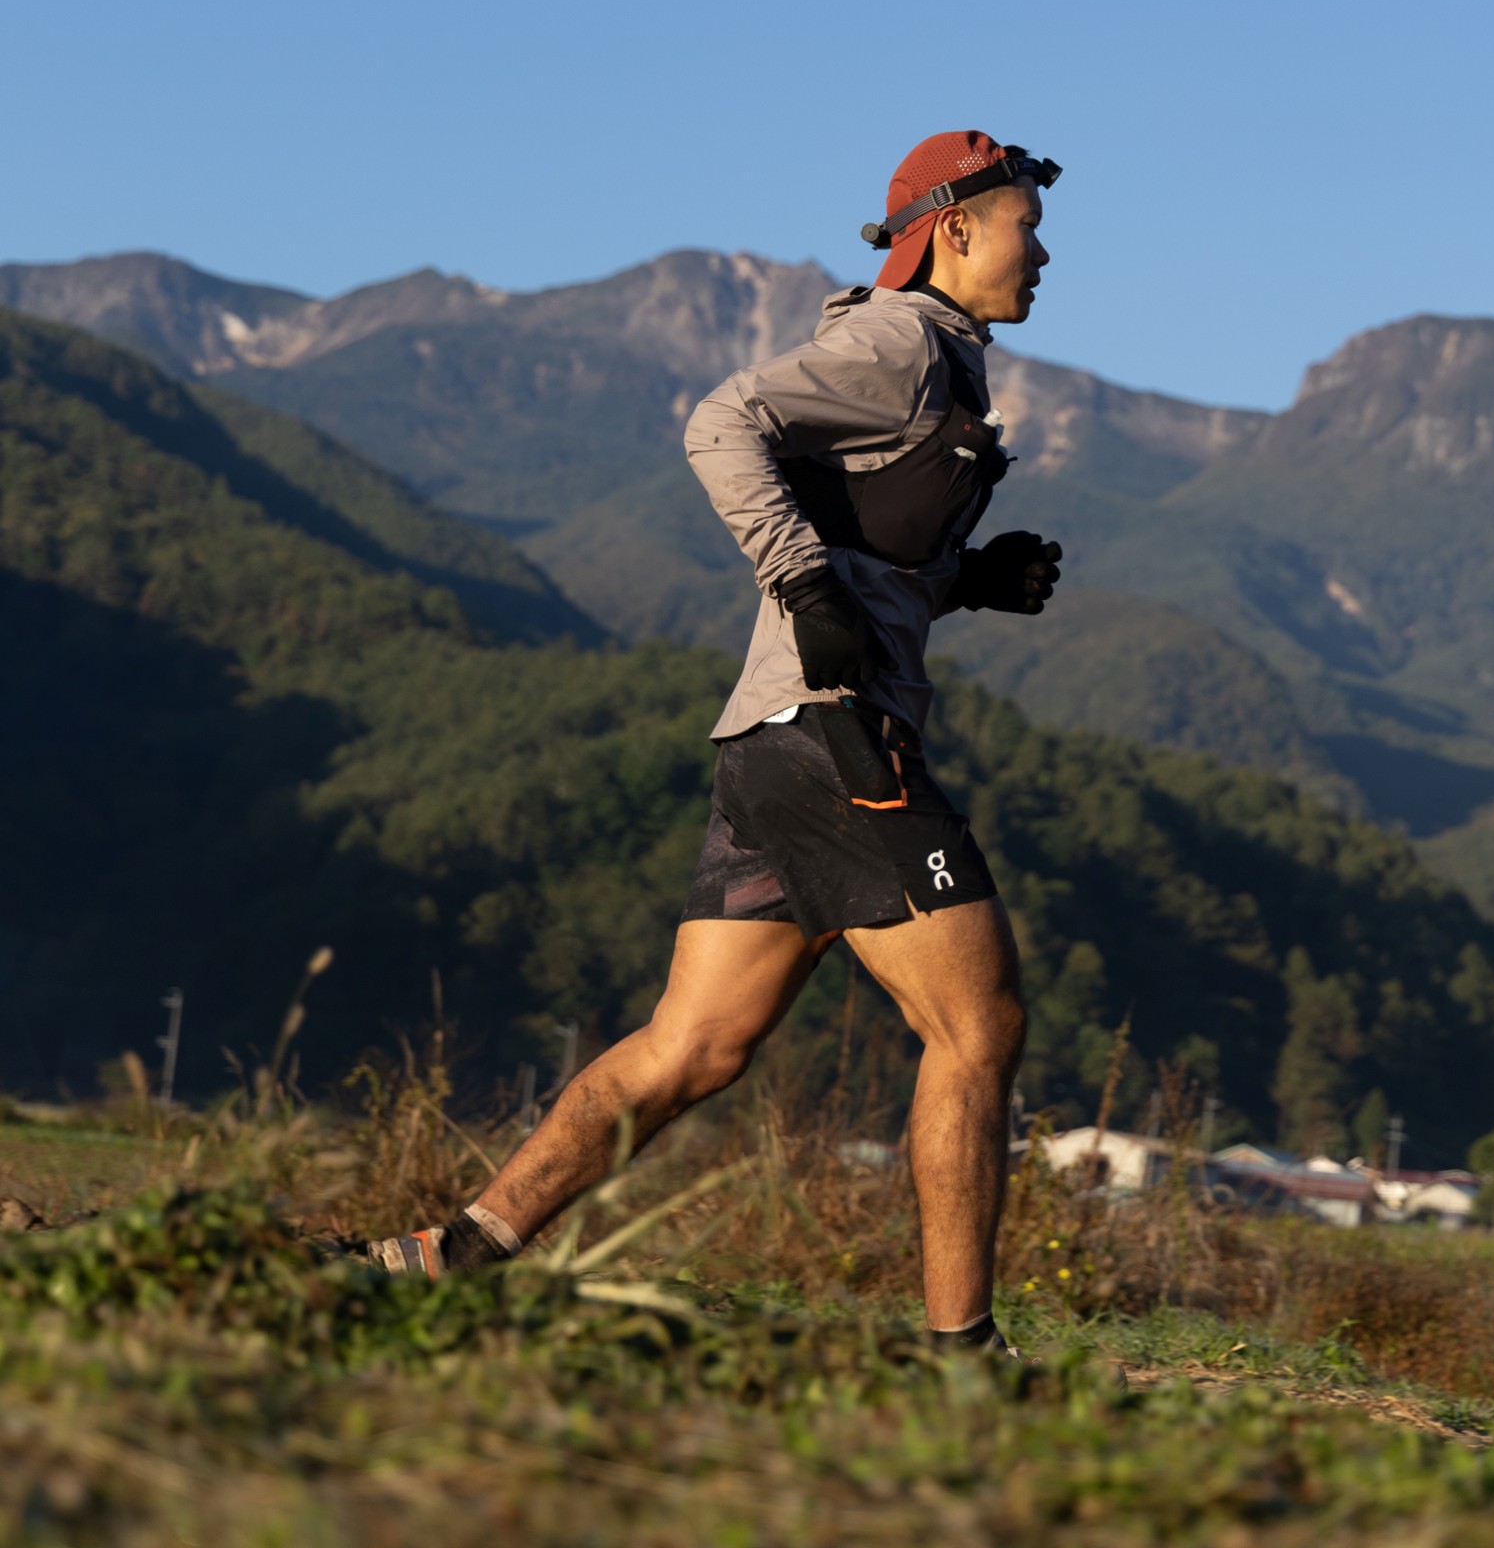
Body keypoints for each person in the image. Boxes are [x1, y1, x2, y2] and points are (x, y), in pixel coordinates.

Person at [365, 131, 1063, 1353]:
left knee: (691, 1048)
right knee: (977, 1028)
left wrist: (962, 580)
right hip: (832, 742)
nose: (1041, 250)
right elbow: (719, 419)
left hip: (773, 752)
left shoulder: (940, 366)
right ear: (954, 232)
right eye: (1023, 225)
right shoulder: (896, 341)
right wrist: (800, 584)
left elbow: (866, 558)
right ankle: (963, 1359)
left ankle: (444, 1257)